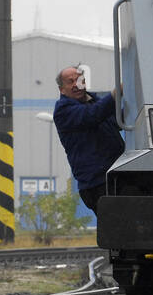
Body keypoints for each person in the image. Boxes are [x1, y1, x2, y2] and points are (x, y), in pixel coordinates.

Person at [52, 65, 125, 214]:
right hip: (97, 183)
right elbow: (92, 115)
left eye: (78, 80)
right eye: (70, 81)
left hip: (116, 175)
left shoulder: (94, 101)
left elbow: (117, 120)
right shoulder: (63, 110)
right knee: (116, 226)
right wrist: (116, 94)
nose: (75, 85)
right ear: (61, 89)